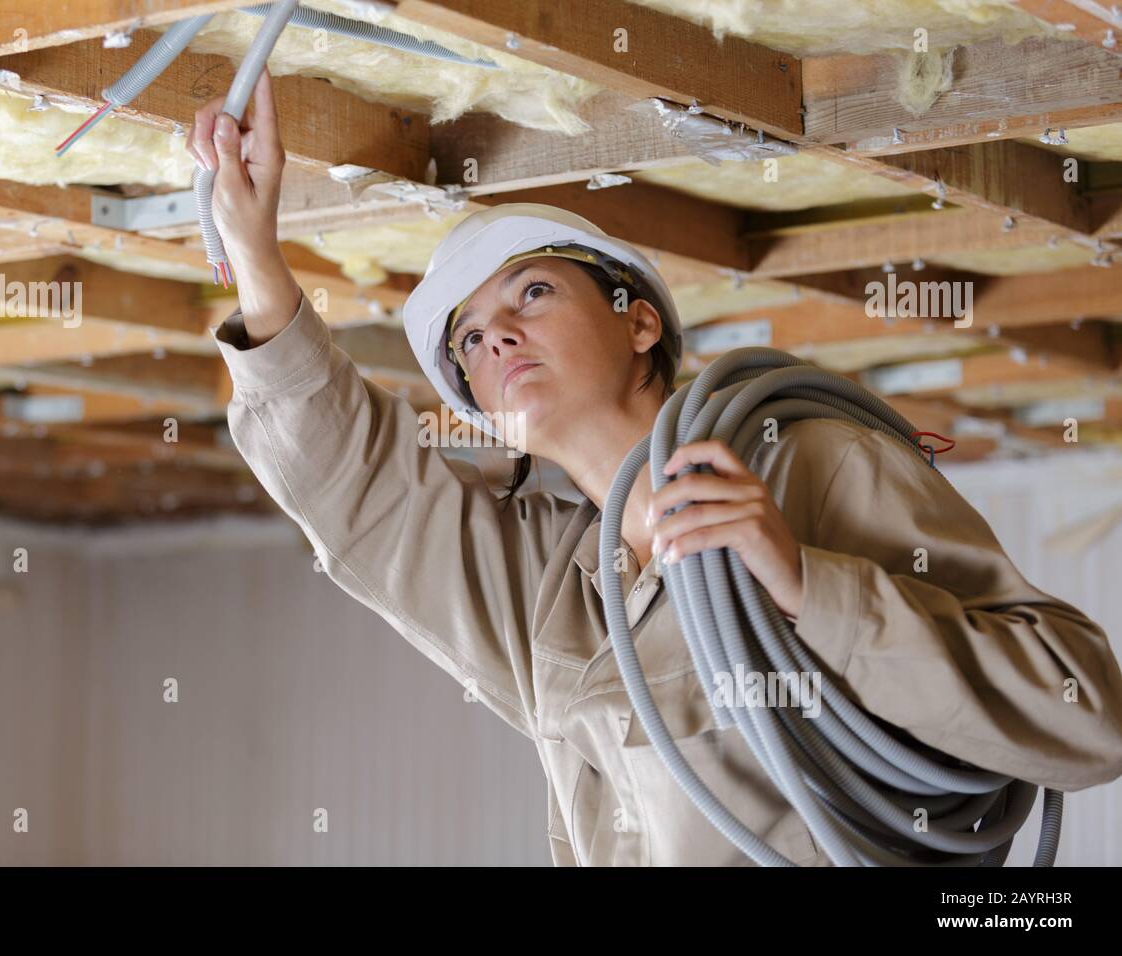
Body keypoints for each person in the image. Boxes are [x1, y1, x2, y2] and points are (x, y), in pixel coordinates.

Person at [188, 68, 1122, 866]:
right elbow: (361, 487)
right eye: (469, 340)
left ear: (640, 322)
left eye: (534, 292)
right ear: (491, 422)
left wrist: (804, 589)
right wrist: (257, 258)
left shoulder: (807, 466)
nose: (499, 333)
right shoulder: (548, 593)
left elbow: (1086, 717)